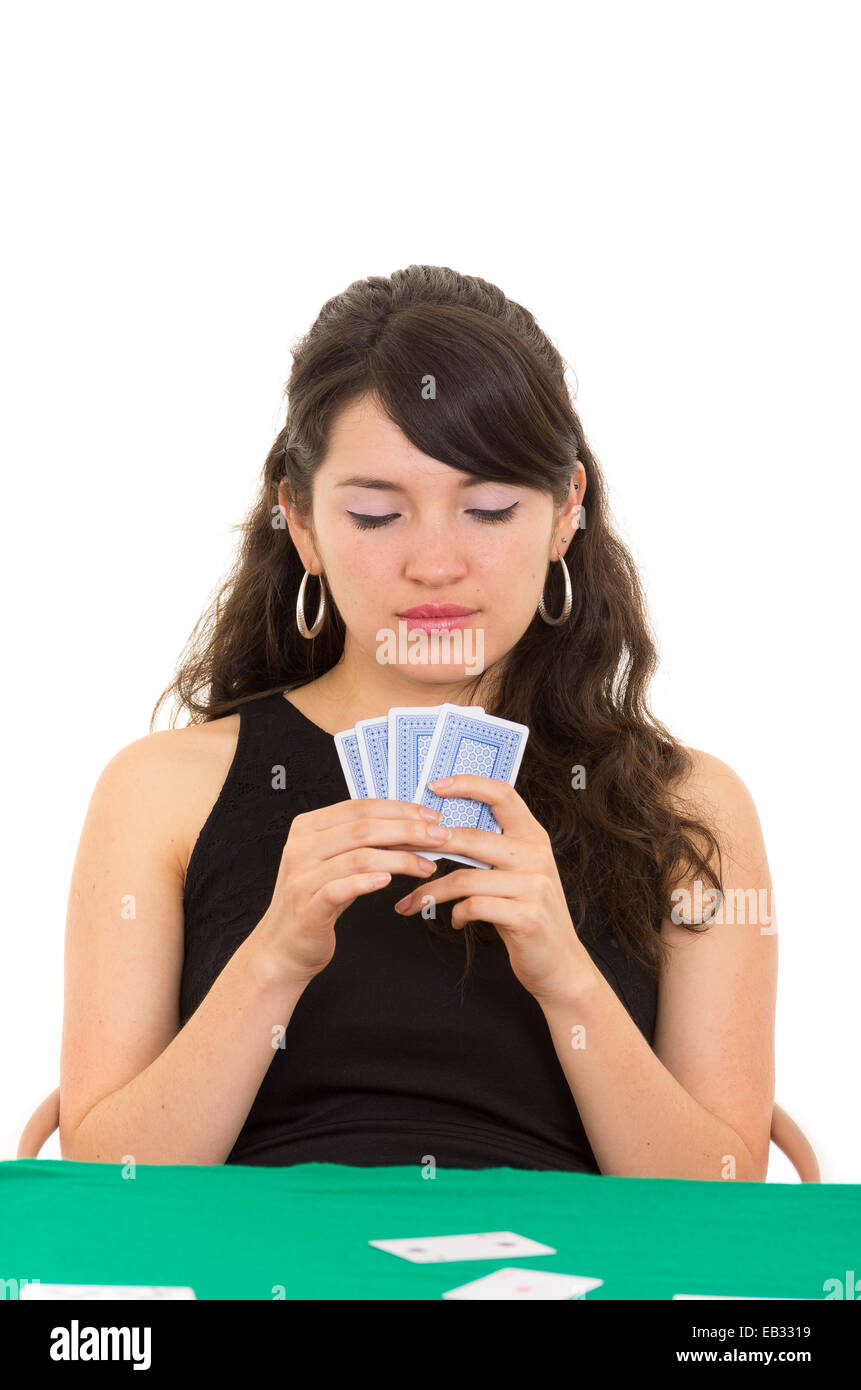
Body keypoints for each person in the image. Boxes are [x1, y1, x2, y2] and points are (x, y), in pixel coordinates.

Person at [59, 265, 777, 1179]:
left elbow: (717, 1210)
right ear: (302, 524)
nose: (435, 563)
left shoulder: (687, 807)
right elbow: (108, 1187)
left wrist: (566, 977)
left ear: (565, 514)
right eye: (374, 514)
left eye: (487, 509)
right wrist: (273, 958)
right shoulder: (161, 791)